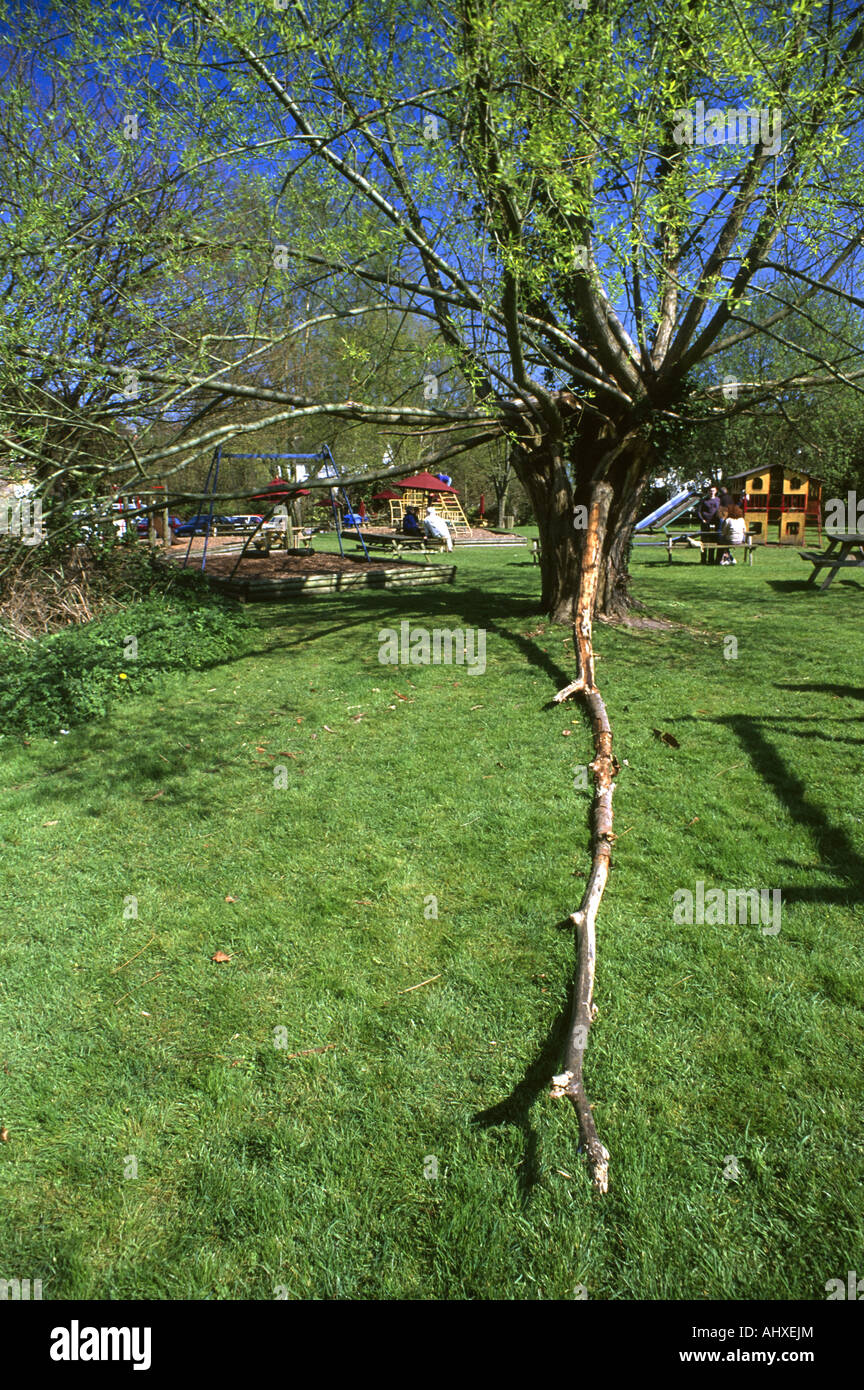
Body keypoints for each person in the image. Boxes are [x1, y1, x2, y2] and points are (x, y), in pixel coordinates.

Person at [698, 486, 720, 564]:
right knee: (704, 541)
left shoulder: (718, 500)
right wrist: (702, 519)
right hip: (705, 524)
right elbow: (699, 511)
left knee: (713, 541)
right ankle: (703, 559)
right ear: (708, 492)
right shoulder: (704, 500)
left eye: (713, 490)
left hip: (715, 524)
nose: (712, 492)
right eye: (710, 491)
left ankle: (711, 560)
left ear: (716, 491)